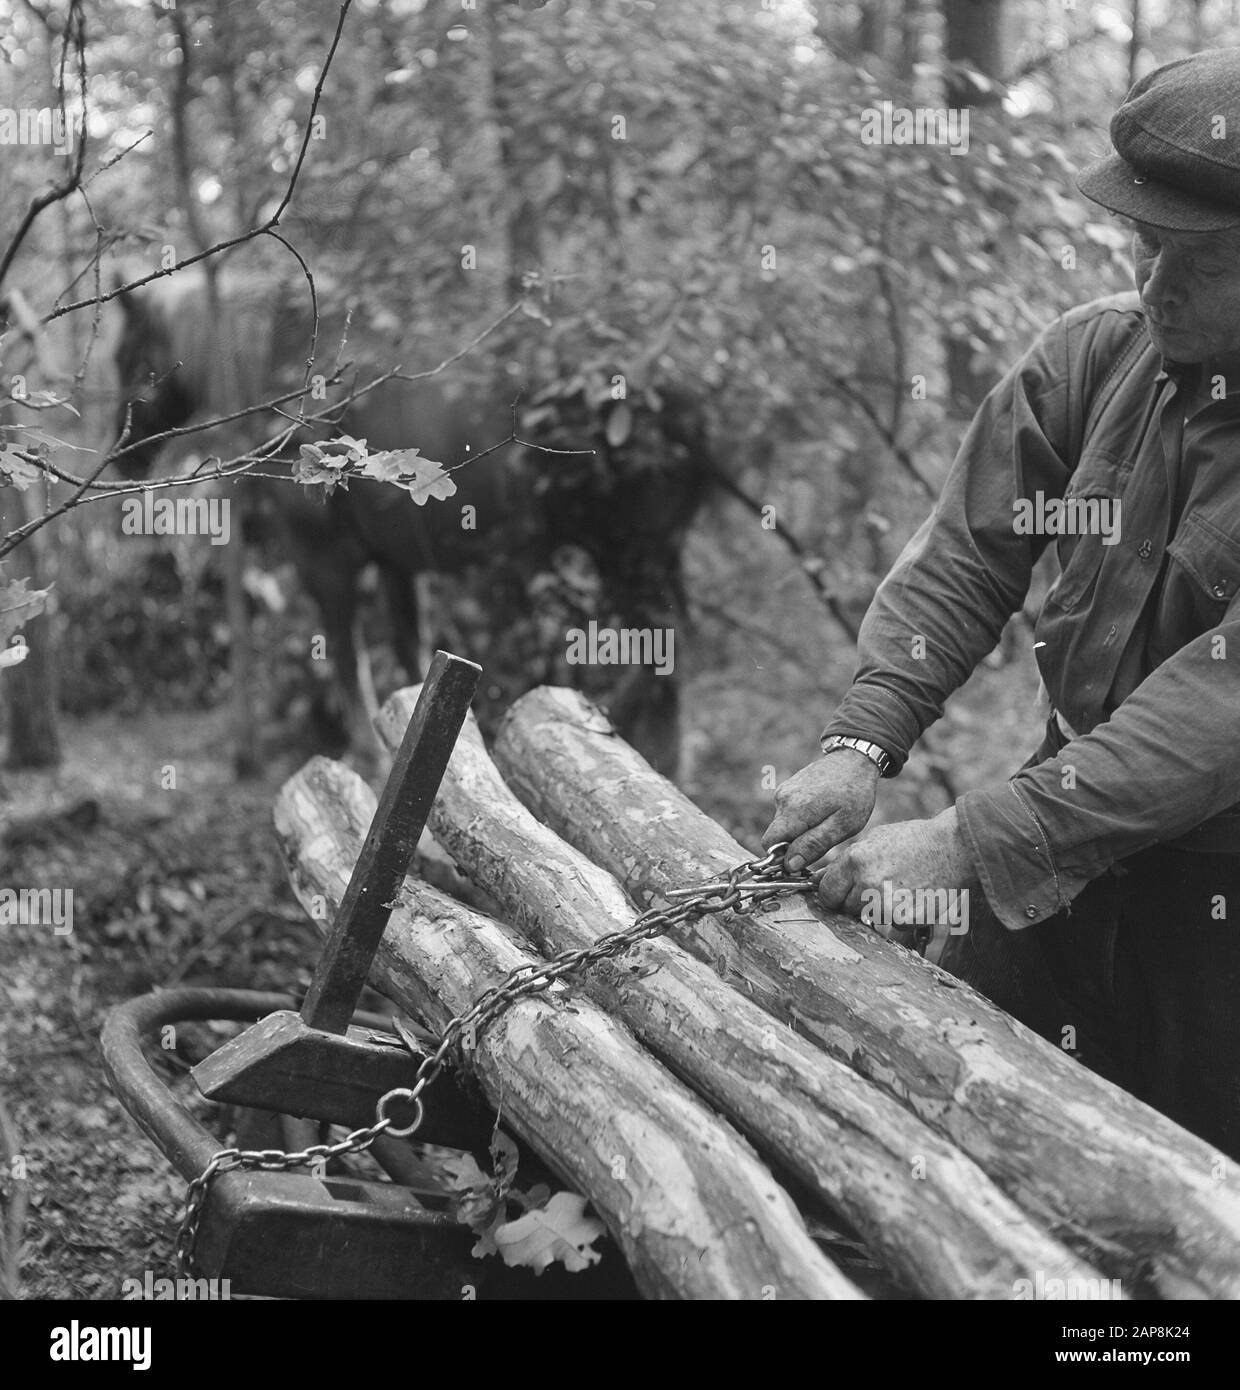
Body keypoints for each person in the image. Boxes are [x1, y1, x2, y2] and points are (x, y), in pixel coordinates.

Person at [763, 47, 1240, 1161]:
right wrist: (860, 737)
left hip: (1220, 912)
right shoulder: (1094, 355)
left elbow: (1214, 717)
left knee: (1196, 1201)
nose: (1153, 288)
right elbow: (972, 555)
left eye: (1196, 266)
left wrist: (974, 843)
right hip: (1063, 852)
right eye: (1142, 248)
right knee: (979, 1131)